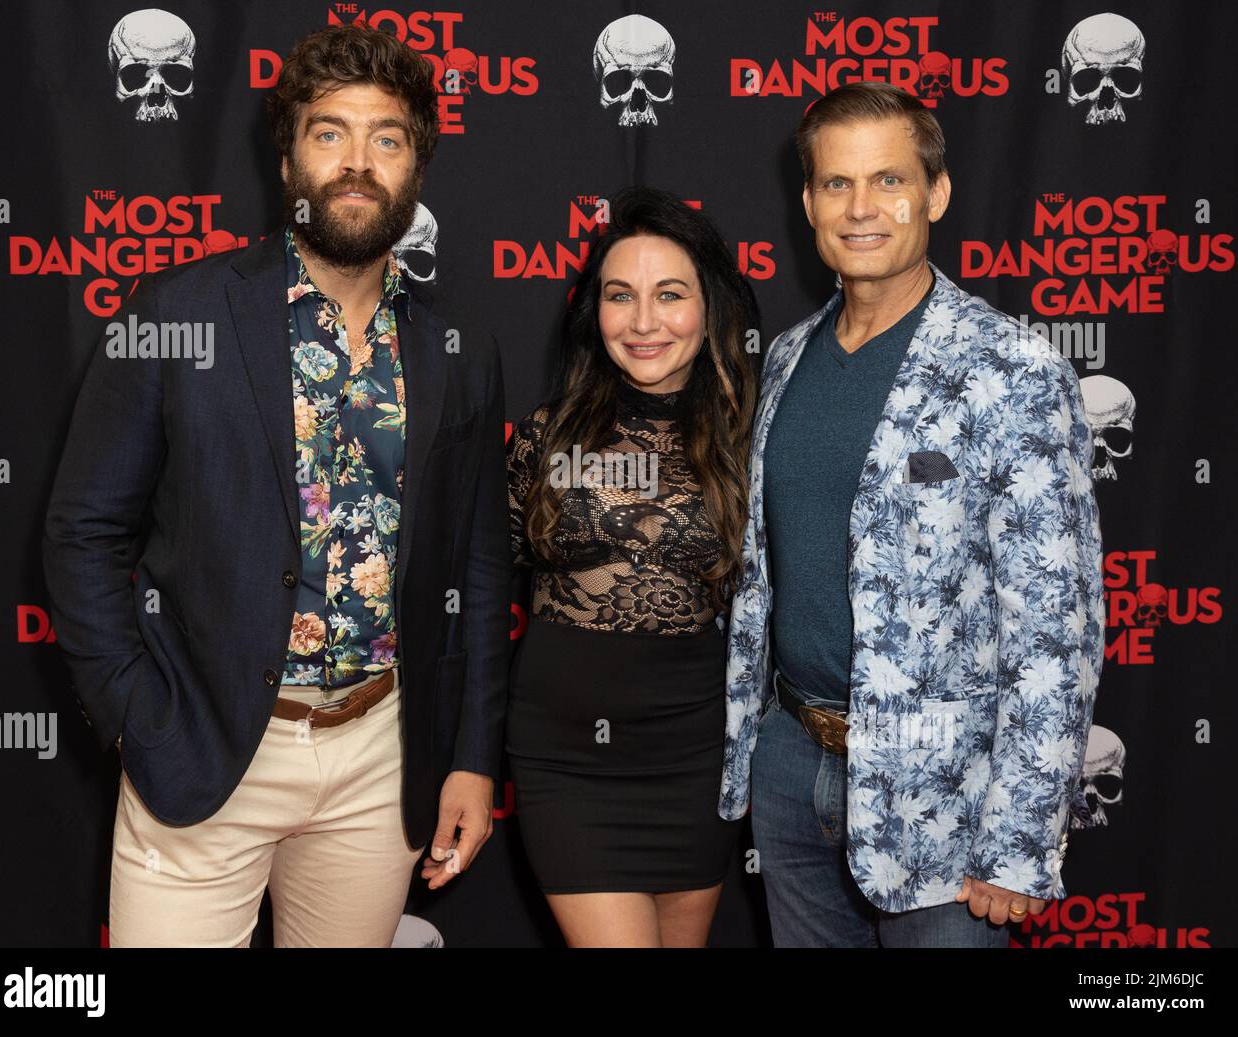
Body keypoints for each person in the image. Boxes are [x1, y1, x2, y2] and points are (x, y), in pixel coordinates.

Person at [41, 24, 509, 947]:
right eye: (330, 133)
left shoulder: (458, 351)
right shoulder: (178, 313)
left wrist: (470, 757)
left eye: (387, 138)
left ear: (416, 168)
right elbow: (82, 533)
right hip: (203, 744)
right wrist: (141, 720)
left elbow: (480, 567)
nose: (358, 163)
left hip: (383, 756)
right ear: (289, 158)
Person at [720, 82, 1105, 947]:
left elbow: (1058, 625)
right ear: (809, 201)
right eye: (835, 184)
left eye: (888, 181)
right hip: (791, 766)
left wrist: (1019, 841)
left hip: (949, 792)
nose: (861, 208)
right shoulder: (786, 359)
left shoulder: (1014, 369)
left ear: (935, 193)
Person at [505, 186, 760, 947]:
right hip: (569, 764)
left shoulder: (753, 437)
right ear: (596, 311)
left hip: (696, 756)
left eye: (669, 295)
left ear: (709, 306)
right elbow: (487, 589)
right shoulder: (545, 440)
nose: (644, 322)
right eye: (621, 296)